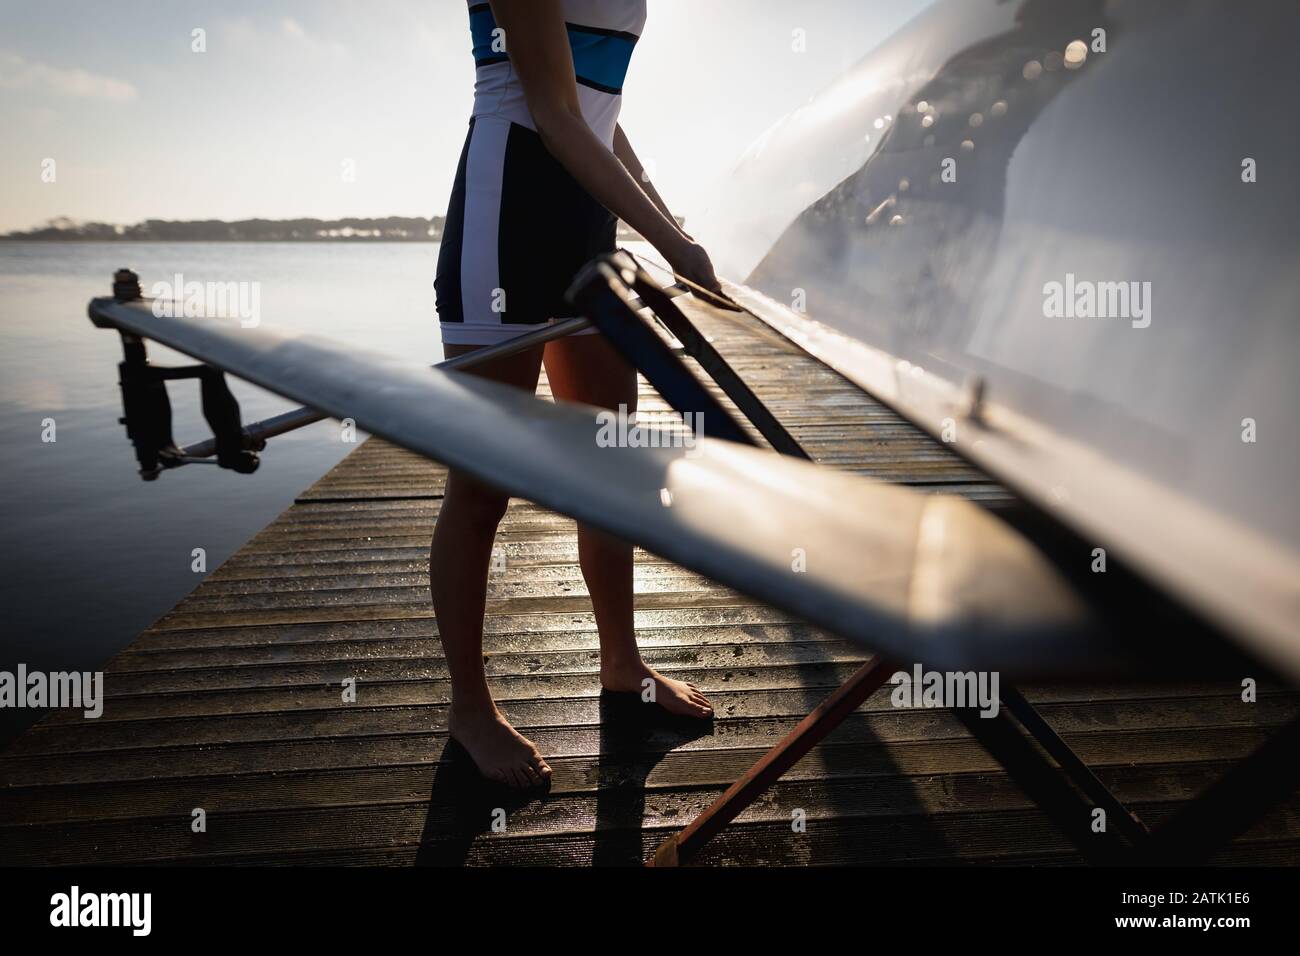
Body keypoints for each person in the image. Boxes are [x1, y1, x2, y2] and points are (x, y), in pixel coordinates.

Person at [432, 0, 722, 789]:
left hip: (587, 217)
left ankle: (622, 665)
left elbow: (603, 118)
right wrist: (674, 243)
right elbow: (555, 116)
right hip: (507, 214)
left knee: (610, 467)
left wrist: (662, 221)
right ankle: (469, 710)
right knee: (481, 483)